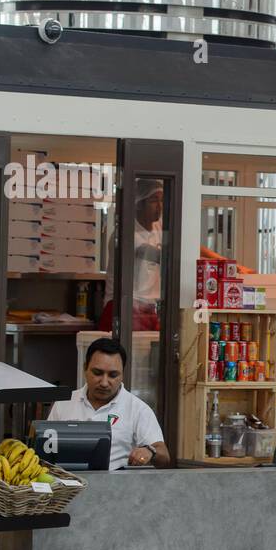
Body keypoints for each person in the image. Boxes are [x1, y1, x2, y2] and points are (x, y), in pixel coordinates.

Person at [48, 337, 170, 470]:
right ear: (85, 369)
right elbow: (46, 448)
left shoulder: (137, 409)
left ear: (122, 374)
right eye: (98, 373)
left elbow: (164, 455)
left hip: (117, 487)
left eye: (113, 375)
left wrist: (150, 451)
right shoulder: (64, 402)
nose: (104, 382)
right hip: (67, 484)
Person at [99, 179, 165, 332]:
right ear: (138, 203)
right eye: (153, 201)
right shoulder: (126, 232)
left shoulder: (159, 227)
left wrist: (219, 259)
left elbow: (183, 245)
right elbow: (153, 254)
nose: (160, 207)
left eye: (162, 200)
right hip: (123, 308)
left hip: (149, 310)